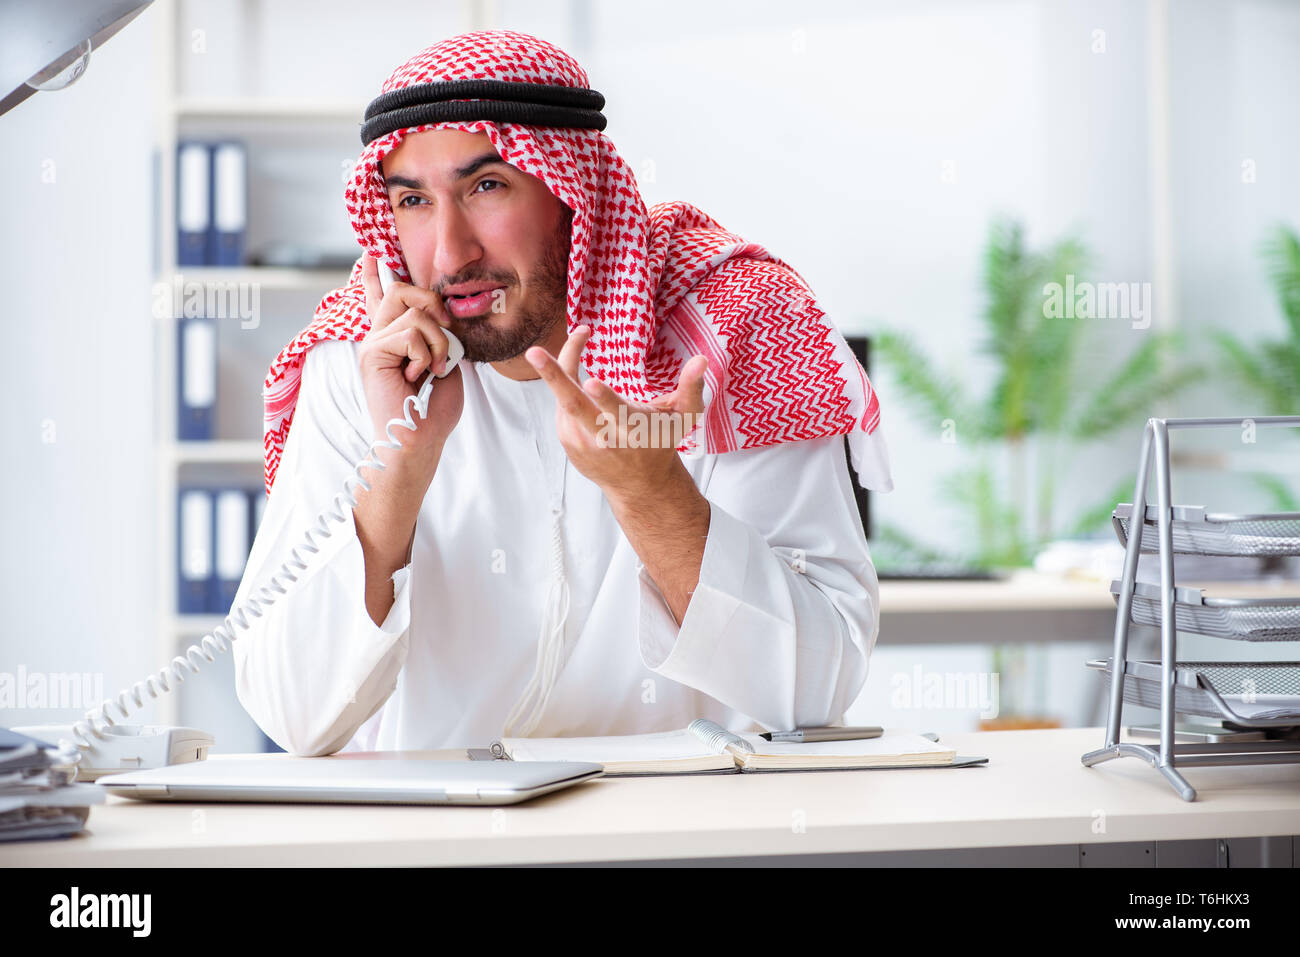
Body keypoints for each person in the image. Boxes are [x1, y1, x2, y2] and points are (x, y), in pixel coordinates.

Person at [234, 30, 893, 756]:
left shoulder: (732, 330)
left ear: (572, 195)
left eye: (487, 187)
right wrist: (398, 466)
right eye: (413, 201)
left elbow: (817, 689)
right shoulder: (364, 366)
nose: (450, 254)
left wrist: (652, 494)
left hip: (676, 834)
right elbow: (293, 717)